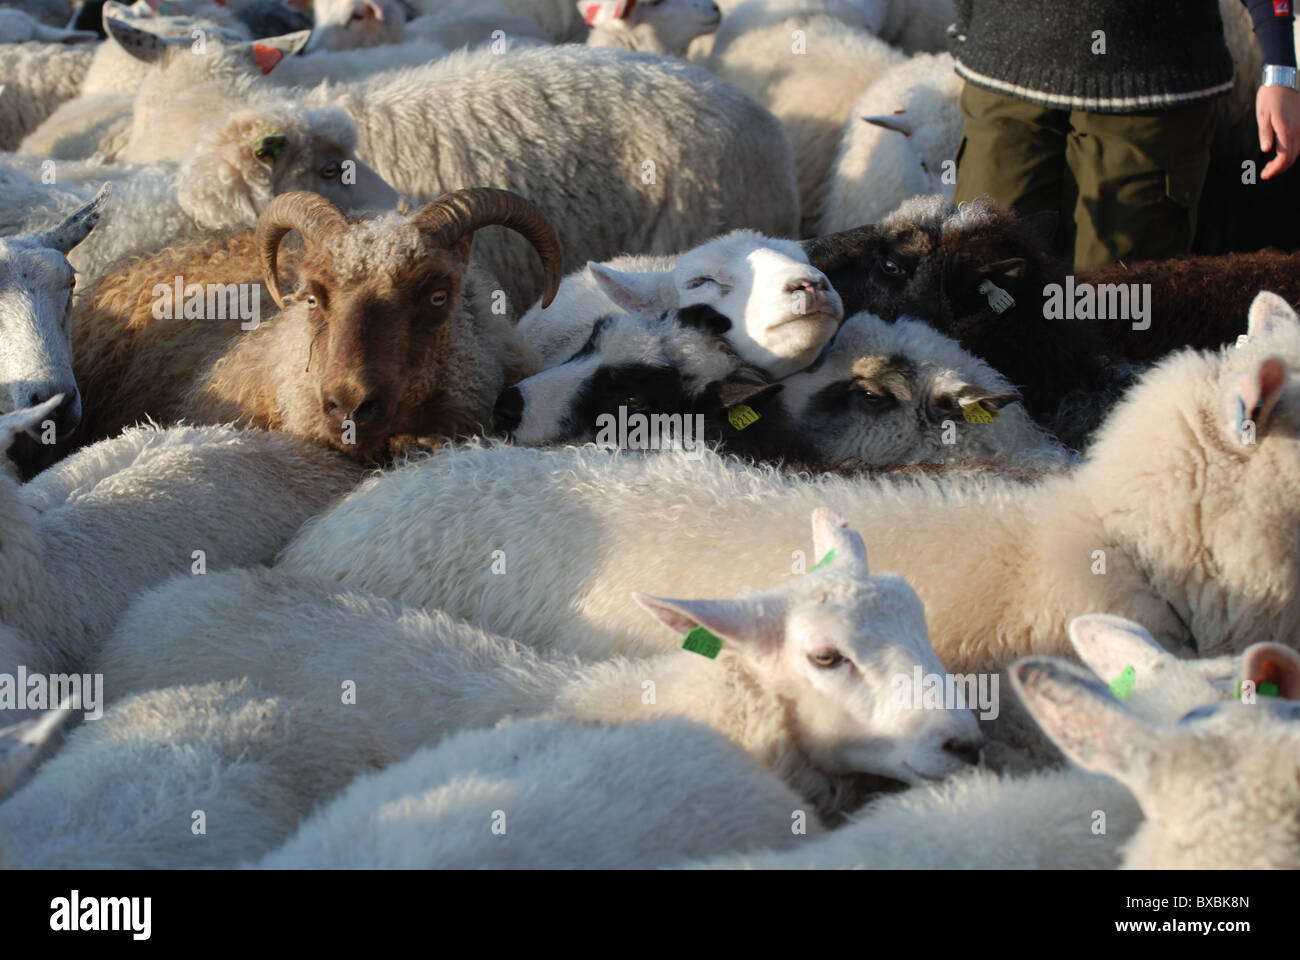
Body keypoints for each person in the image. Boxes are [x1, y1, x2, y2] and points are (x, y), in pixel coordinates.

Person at [950, 0, 1299, 272]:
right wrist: (968, 27)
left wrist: (1279, 70)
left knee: (1114, 302)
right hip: (1005, 74)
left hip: (1150, 93)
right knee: (983, 277)